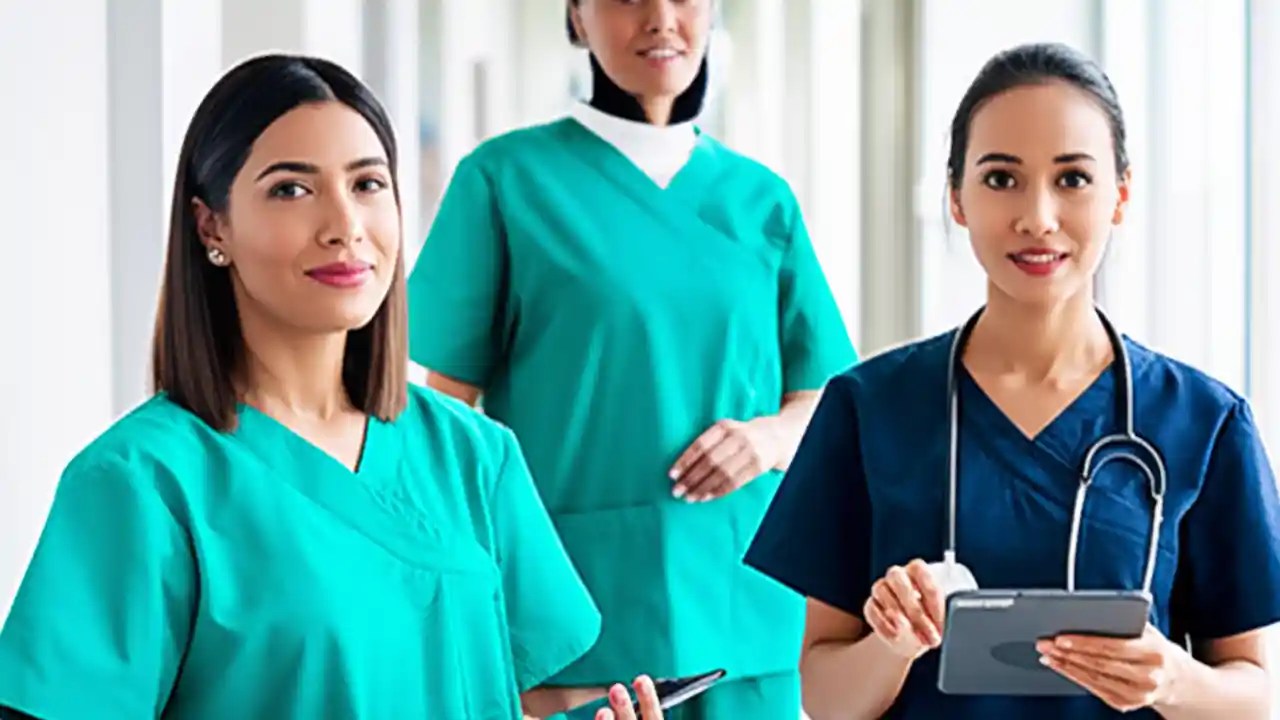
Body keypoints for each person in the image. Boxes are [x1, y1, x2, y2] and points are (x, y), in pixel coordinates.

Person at [0, 54, 661, 720]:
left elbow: (530, 700)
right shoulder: (141, 482)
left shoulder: (474, 457)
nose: (345, 225)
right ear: (212, 227)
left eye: (368, 184)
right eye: (292, 189)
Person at [745, 42, 1280, 719]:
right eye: (1001, 179)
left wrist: (1173, 680)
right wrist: (894, 643)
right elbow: (825, 699)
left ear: (1120, 193)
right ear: (956, 197)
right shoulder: (868, 409)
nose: (1038, 218)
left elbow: (1257, 695)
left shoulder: (1203, 424)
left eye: (1073, 179)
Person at [406, 0, 856, 717]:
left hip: (746, 612)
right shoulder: (506, 181)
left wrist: (764, 439)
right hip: (576, 618)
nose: (659, 17)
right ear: (577, 17)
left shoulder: (762, 199)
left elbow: (824, 401)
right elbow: (443, 419)